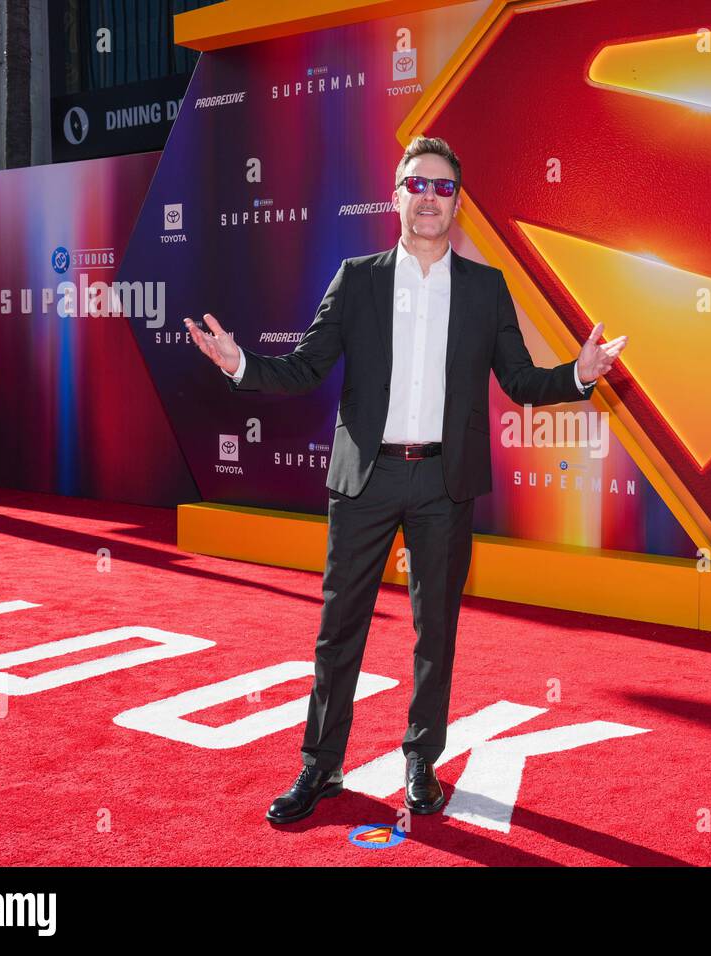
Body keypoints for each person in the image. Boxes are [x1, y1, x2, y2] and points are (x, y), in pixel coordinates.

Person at [183, 136, 627, 823]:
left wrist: (578, 374)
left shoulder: (485, 288)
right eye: (417, 185)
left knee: (435, 632)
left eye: (443, 188)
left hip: (444, 485)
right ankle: (320, 768)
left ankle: (421, 760)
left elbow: (517, 378)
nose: (429, 198)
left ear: (457, 205)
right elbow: (304, 366)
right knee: (339, 631)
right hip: (365, 478)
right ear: (395, 196)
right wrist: (242, 364)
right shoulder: (357, 277)